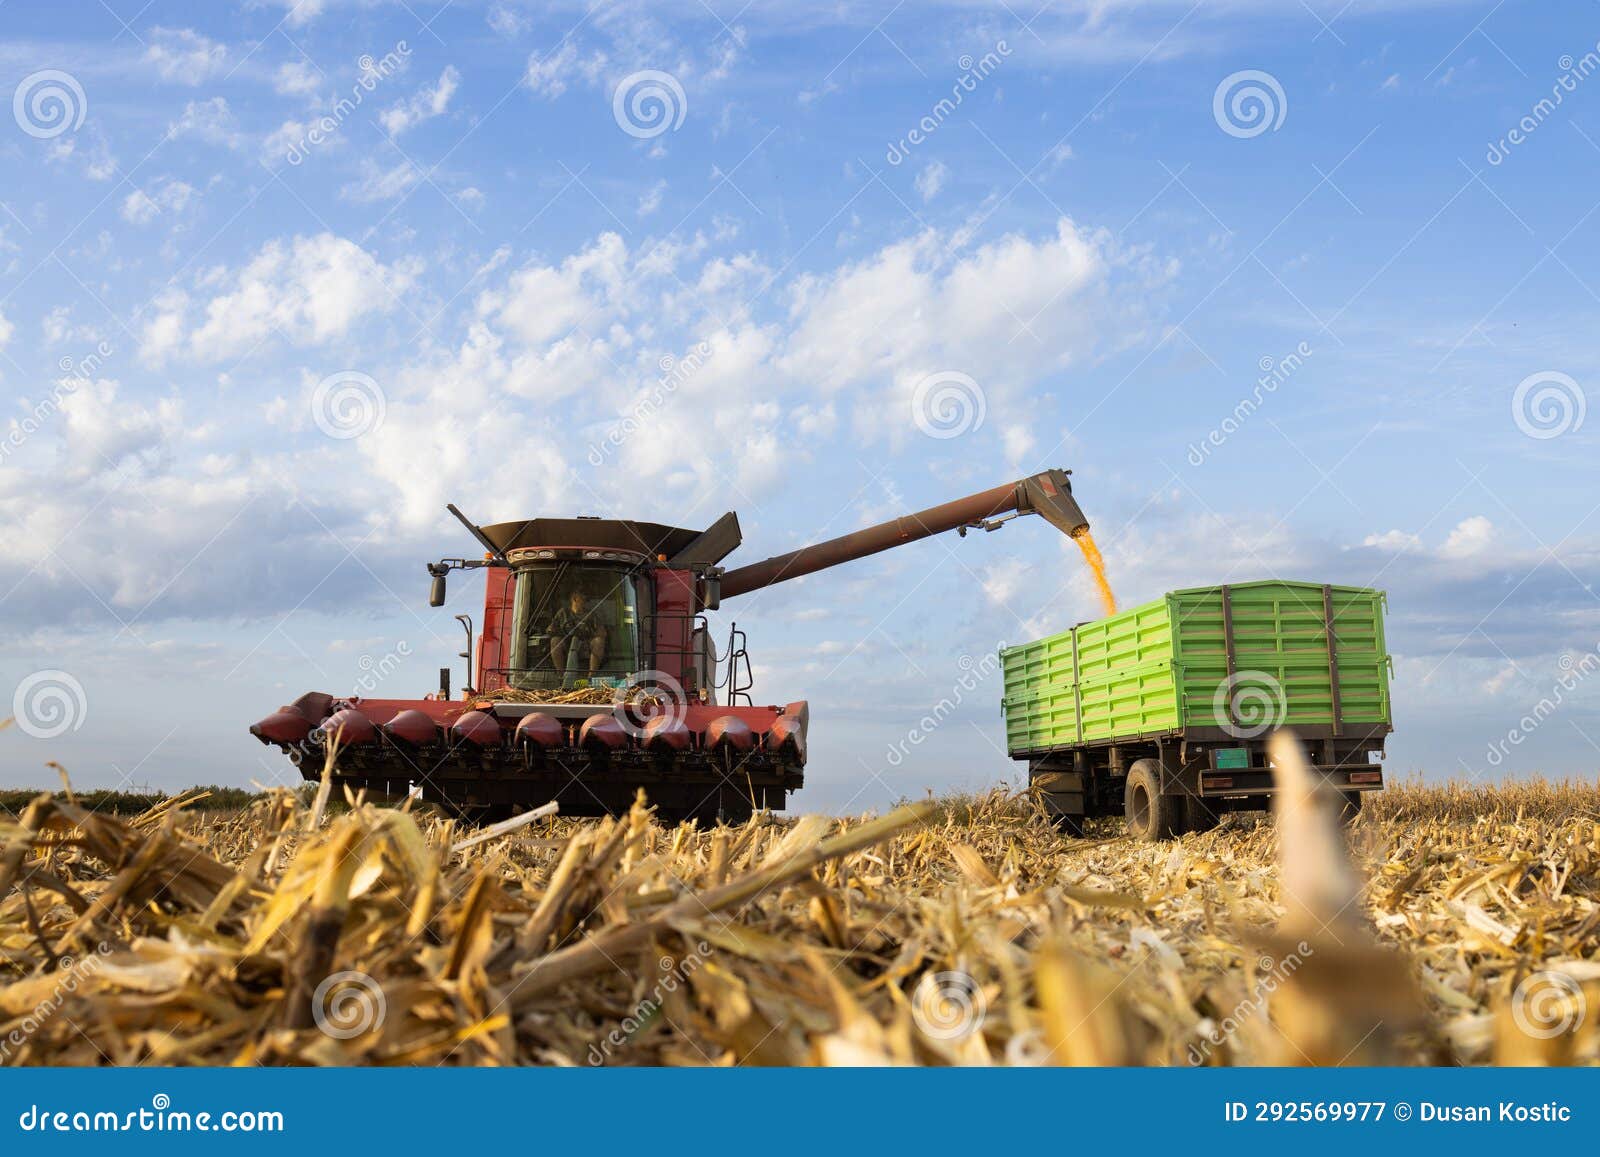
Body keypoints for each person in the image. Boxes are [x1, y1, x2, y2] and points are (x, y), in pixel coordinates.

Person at [547, 588, 608, 688]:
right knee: (555, 641)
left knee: (599, 642)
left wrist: (593, 633)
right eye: (583, 599)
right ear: (575, 599)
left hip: (585, 646)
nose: (585, 603)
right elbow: (551, 629)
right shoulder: (563, 613)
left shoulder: (591, 615)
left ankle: (591, 678)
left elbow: (602, 632)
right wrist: (557, 631)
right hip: (567, 645)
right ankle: (561, 676)